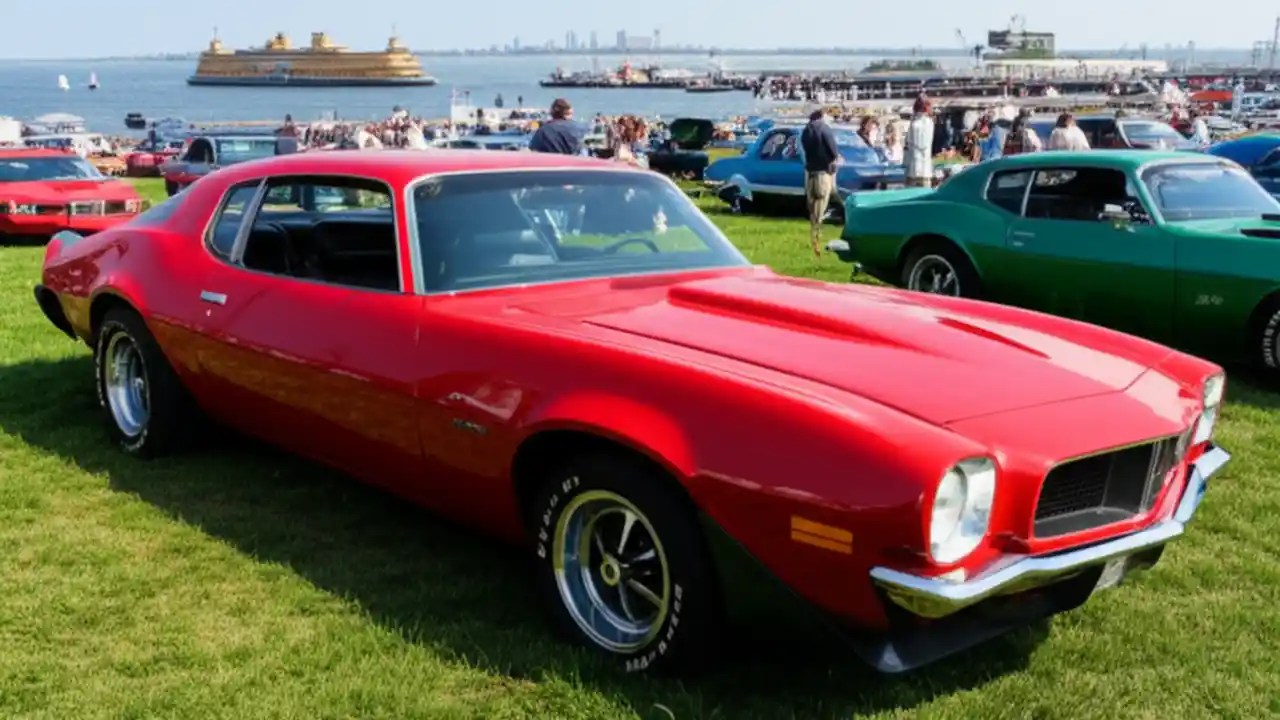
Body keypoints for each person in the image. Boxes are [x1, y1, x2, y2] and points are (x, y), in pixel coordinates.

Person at [799, 109, 840, 258]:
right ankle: (816, 239)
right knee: (821, 207)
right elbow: (833, 150)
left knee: (812, 208)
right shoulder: (824, 129)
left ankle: (814, 234)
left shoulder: (805, 131)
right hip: (823, 173)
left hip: (810, 173)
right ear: (821, 117)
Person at [905, 96, 935, 188]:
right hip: (925, 168)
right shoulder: (928, 122)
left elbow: (909, 141)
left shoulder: (913, 123)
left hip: (912, 167)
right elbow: (925, 144)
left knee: (910, 195)